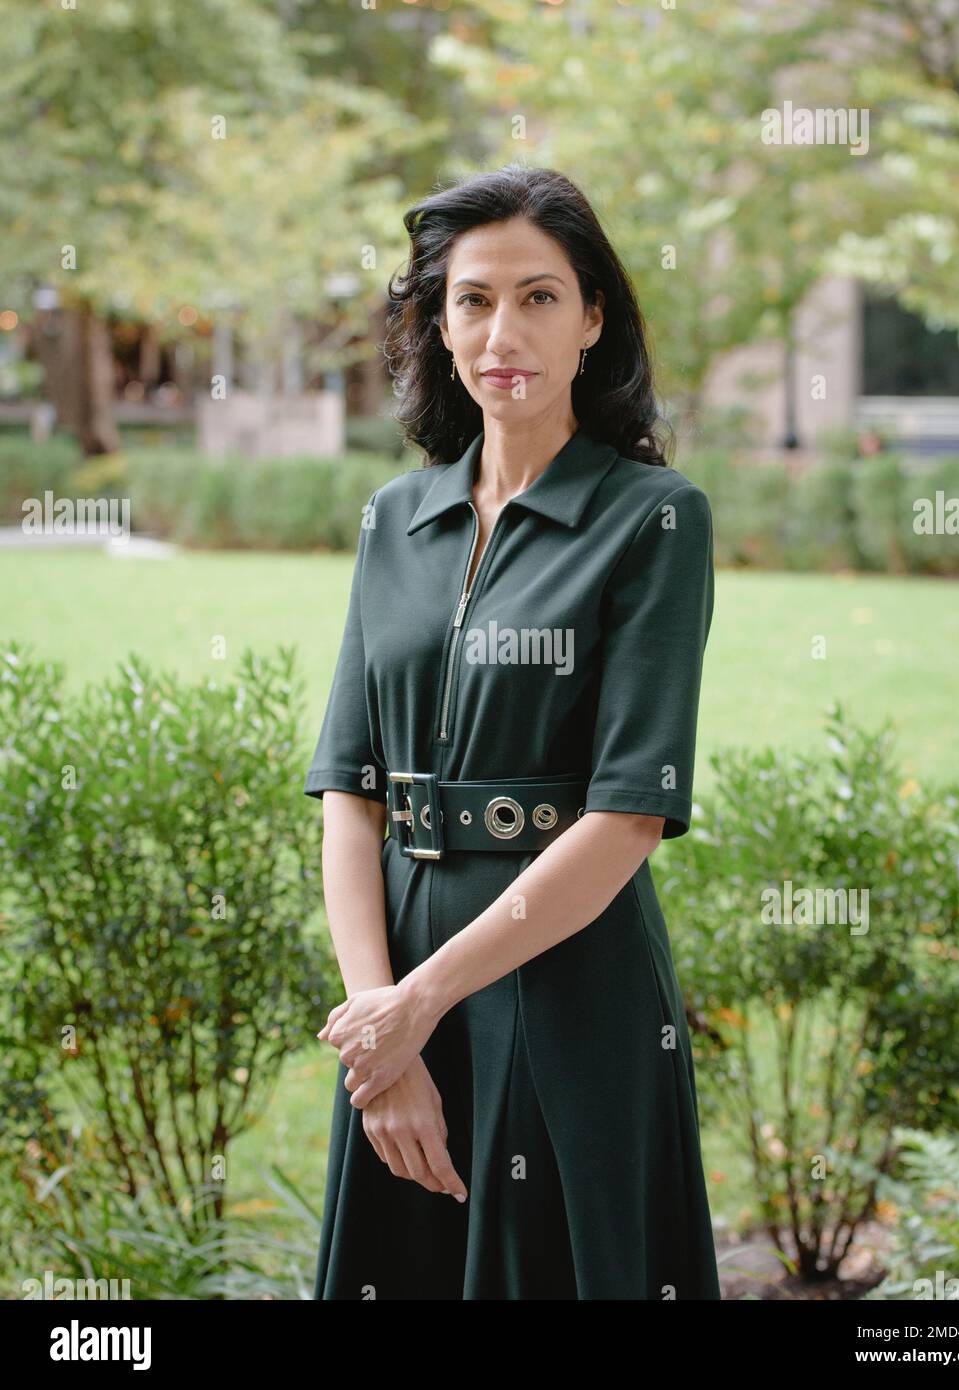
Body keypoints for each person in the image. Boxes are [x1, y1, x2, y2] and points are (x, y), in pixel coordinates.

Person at [305, 164, 720, 1300]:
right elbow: (351, 791)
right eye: (472, 300)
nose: (504, 331)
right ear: (438, 327)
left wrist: (418, 1000)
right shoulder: (395, 516)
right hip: (392, 985)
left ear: (593, 318)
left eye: (539, 297)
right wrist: (377, 1037)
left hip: (566, 979)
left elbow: (627, 812)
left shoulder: (654, 518)